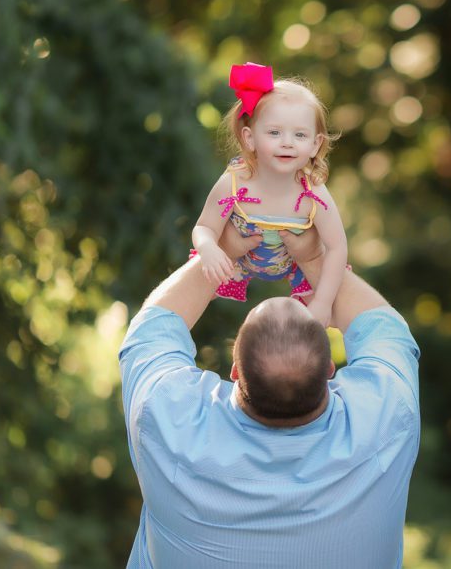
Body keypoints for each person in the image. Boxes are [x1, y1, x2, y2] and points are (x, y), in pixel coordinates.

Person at [119, 223, 420, 568]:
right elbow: (384, 327)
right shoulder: (387, 420)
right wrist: (315, 258)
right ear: (329, 372)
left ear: (234, 371)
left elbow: (153, 327)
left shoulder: (168, 419)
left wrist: (224, 252)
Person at [192, 62, 347, 329]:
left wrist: (322, 302)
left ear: (315, 144)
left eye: (299, 134)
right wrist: (208, 248)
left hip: (299, 265)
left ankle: (330, 364)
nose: (287, 142)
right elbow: (204, 226)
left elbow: (337, 247)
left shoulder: (314, 192)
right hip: (235, 260)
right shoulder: (235, 182)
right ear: (250, 139)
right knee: (191, 287)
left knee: (333, 314)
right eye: (274, 133)